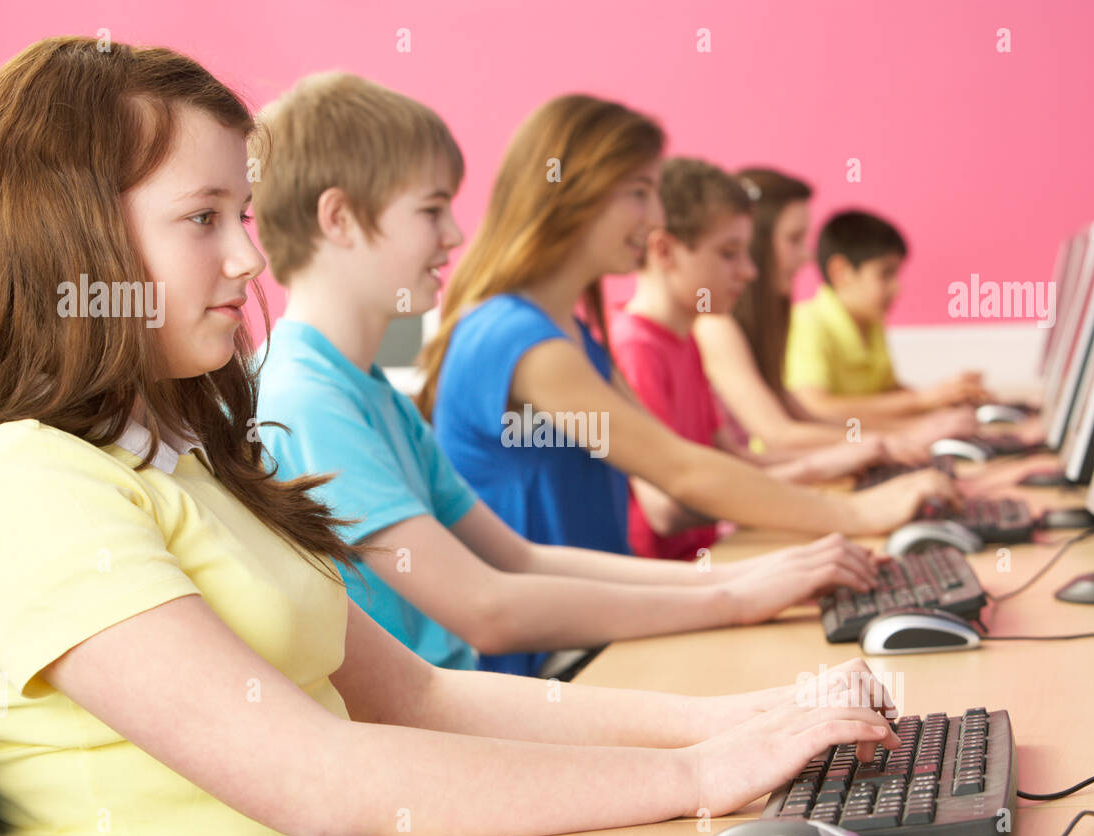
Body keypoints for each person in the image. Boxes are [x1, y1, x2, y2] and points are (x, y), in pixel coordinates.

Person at [0, 37, 900, 836]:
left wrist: (739, 720)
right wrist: (694, 775)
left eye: (240, 217)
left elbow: (419, 693)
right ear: (69, 240)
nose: (250, 259)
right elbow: (317, 779)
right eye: (203, 218)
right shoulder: (17, 487)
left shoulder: (177, 454)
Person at [250, 74, 882, 679]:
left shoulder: (367, 390)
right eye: (432, 210)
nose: (455, 233)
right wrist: (738, 597)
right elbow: (487, 611)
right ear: (337, 219)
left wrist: (745, 581)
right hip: (471, 710)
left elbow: (521, 559)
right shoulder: (307, 398)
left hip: (499, 687)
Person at [416, 95, 959, 618]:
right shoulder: (517, 338)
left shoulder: (573, 333)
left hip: (589, 622)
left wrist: (764, 573)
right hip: (546, 653)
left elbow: (683, 458)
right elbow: (680, 474)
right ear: (575, 190)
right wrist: (856, 513)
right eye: (639, 192)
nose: (654, 216)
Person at [609, 157, 933, 561]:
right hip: (674, 580)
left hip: (715, 555)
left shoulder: (686, 339)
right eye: (729, 254)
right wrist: (830, 484)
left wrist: (848, 456)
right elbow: (665, 509)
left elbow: (733, 459)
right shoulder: (637, 349)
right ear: (663, 251)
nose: (748, 272)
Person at [692, 168, 979, 454]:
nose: (806, 255)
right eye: (794, 239)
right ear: (757, 245)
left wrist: (914, 429)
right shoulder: (715, 327)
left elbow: (805, 416)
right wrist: (900, 438)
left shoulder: (768, 322)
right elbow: (779, 435)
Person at [783, 209, 994, 424]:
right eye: (885, 274)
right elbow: (815, 407)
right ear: (841, 272)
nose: (897, 289)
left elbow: (887, 394)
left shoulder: (870, 322)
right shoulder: (808, 323)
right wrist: (920, 401)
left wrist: (946, 396)